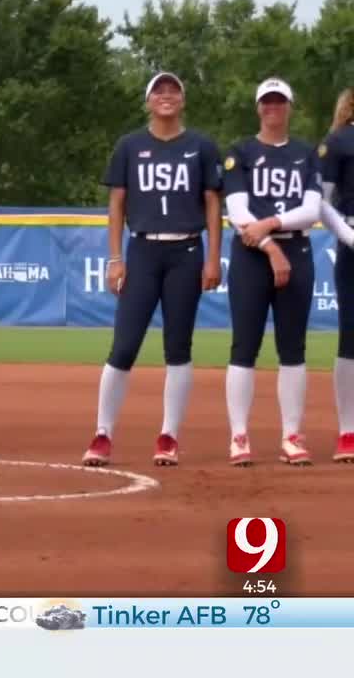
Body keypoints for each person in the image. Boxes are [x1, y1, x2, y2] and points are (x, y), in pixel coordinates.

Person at [82, 71, 223, 467]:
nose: (166, 96)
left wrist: (213, 256)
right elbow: (117, 204)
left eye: (173, 90)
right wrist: (115, 258)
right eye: (158, 91)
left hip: (187, 251)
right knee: (124, 346)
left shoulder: (201, 146)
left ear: (183, 99)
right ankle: (102, 433)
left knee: (178, 347)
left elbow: (212, 203)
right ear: (147, 101)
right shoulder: (130, 145)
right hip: (143, 251)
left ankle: (168, 436)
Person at [221, 78, 322, 466]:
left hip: (295, 247)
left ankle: (292, 436)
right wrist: (269, 245)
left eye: (279, 101)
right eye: (267, 101)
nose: (273, 107)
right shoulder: (241, 151)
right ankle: (239, 436)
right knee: (244, 347)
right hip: (252, 254)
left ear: (289, 108)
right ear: (258, 107)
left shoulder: (306, 153)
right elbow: (238, 212)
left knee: (293, 349)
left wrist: (270, 225)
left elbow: (311, 211)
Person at [317, 87, 354, 463]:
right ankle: (348, 430)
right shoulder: (340, 141)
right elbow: (321, 202)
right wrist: (348, 235)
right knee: (351, 336)